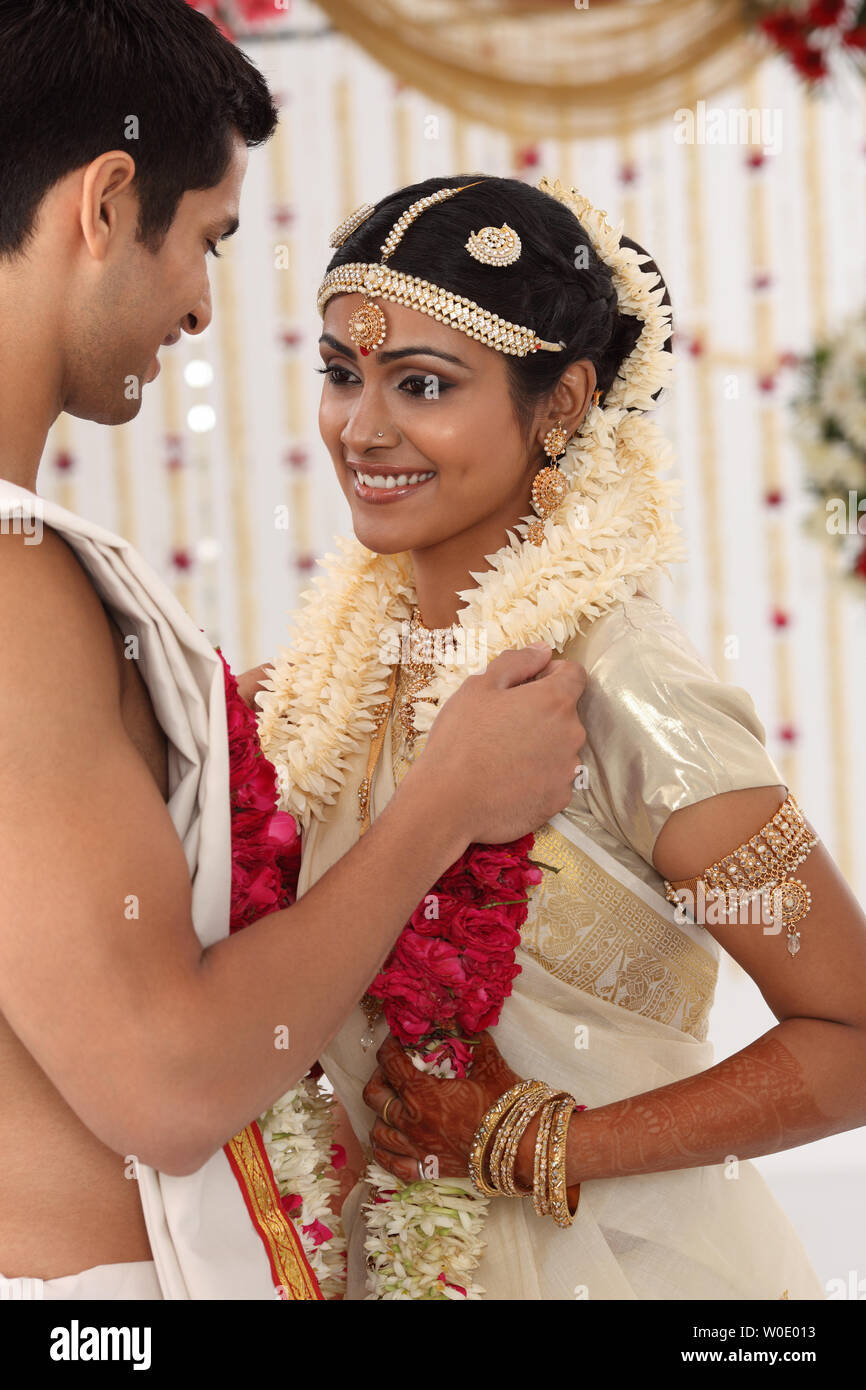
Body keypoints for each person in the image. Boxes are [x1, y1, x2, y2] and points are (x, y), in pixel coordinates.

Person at [0, 3, 588, 1301]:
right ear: (105, 205)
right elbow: (164, 1081)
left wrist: (219, 748)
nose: (202, 308)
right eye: (205, 240)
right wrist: (442, 802)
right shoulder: (14, 577)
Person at [255, 172, 866, 1300]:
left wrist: (534, 1145)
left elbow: (850, 1027)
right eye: (341, 375)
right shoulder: (323, 691)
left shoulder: (620, 684)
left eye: (421, 383)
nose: (363, 426)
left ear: (564, 402)